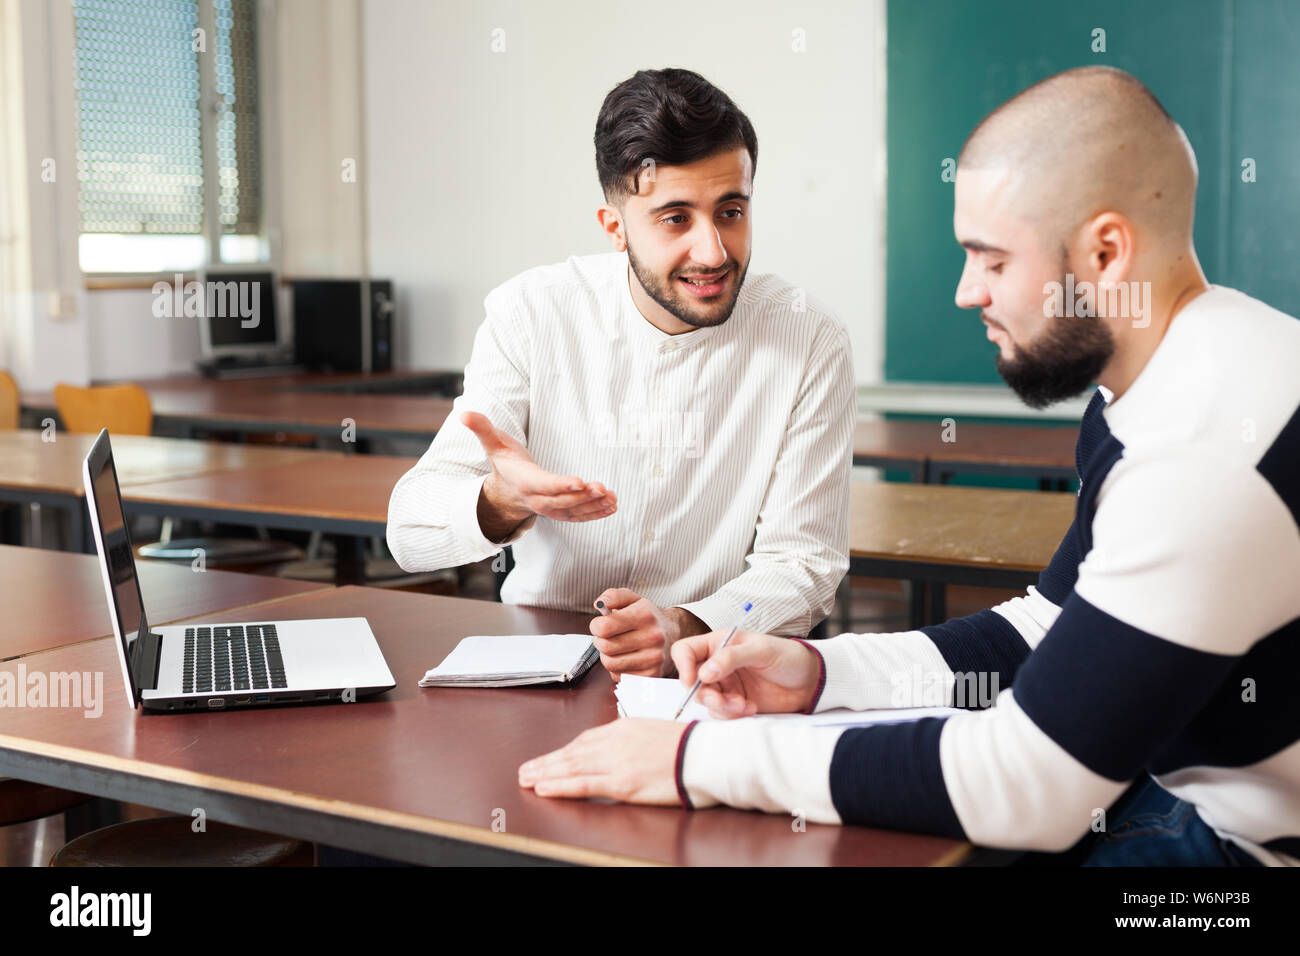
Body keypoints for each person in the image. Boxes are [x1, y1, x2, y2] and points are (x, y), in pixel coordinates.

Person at [518, 66, 1300, 866]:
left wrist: (691, 761)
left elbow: (1029, 787)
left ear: (1105, 251)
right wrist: (817, 672)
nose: (967, 292)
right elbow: (1043, 628)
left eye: (992, 261)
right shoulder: (1175, 374)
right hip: (1182, 799)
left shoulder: (1205, 455)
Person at [388, 68, 854, 679]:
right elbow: (412, 532)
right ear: (616, 228)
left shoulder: (809, 336)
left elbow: (803, 564)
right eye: (674, 218)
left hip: (711, 668)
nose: (713, 251)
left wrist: (688, 623)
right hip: (537, 662)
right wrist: (501, 501)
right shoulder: (531, 312)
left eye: (731, 211)